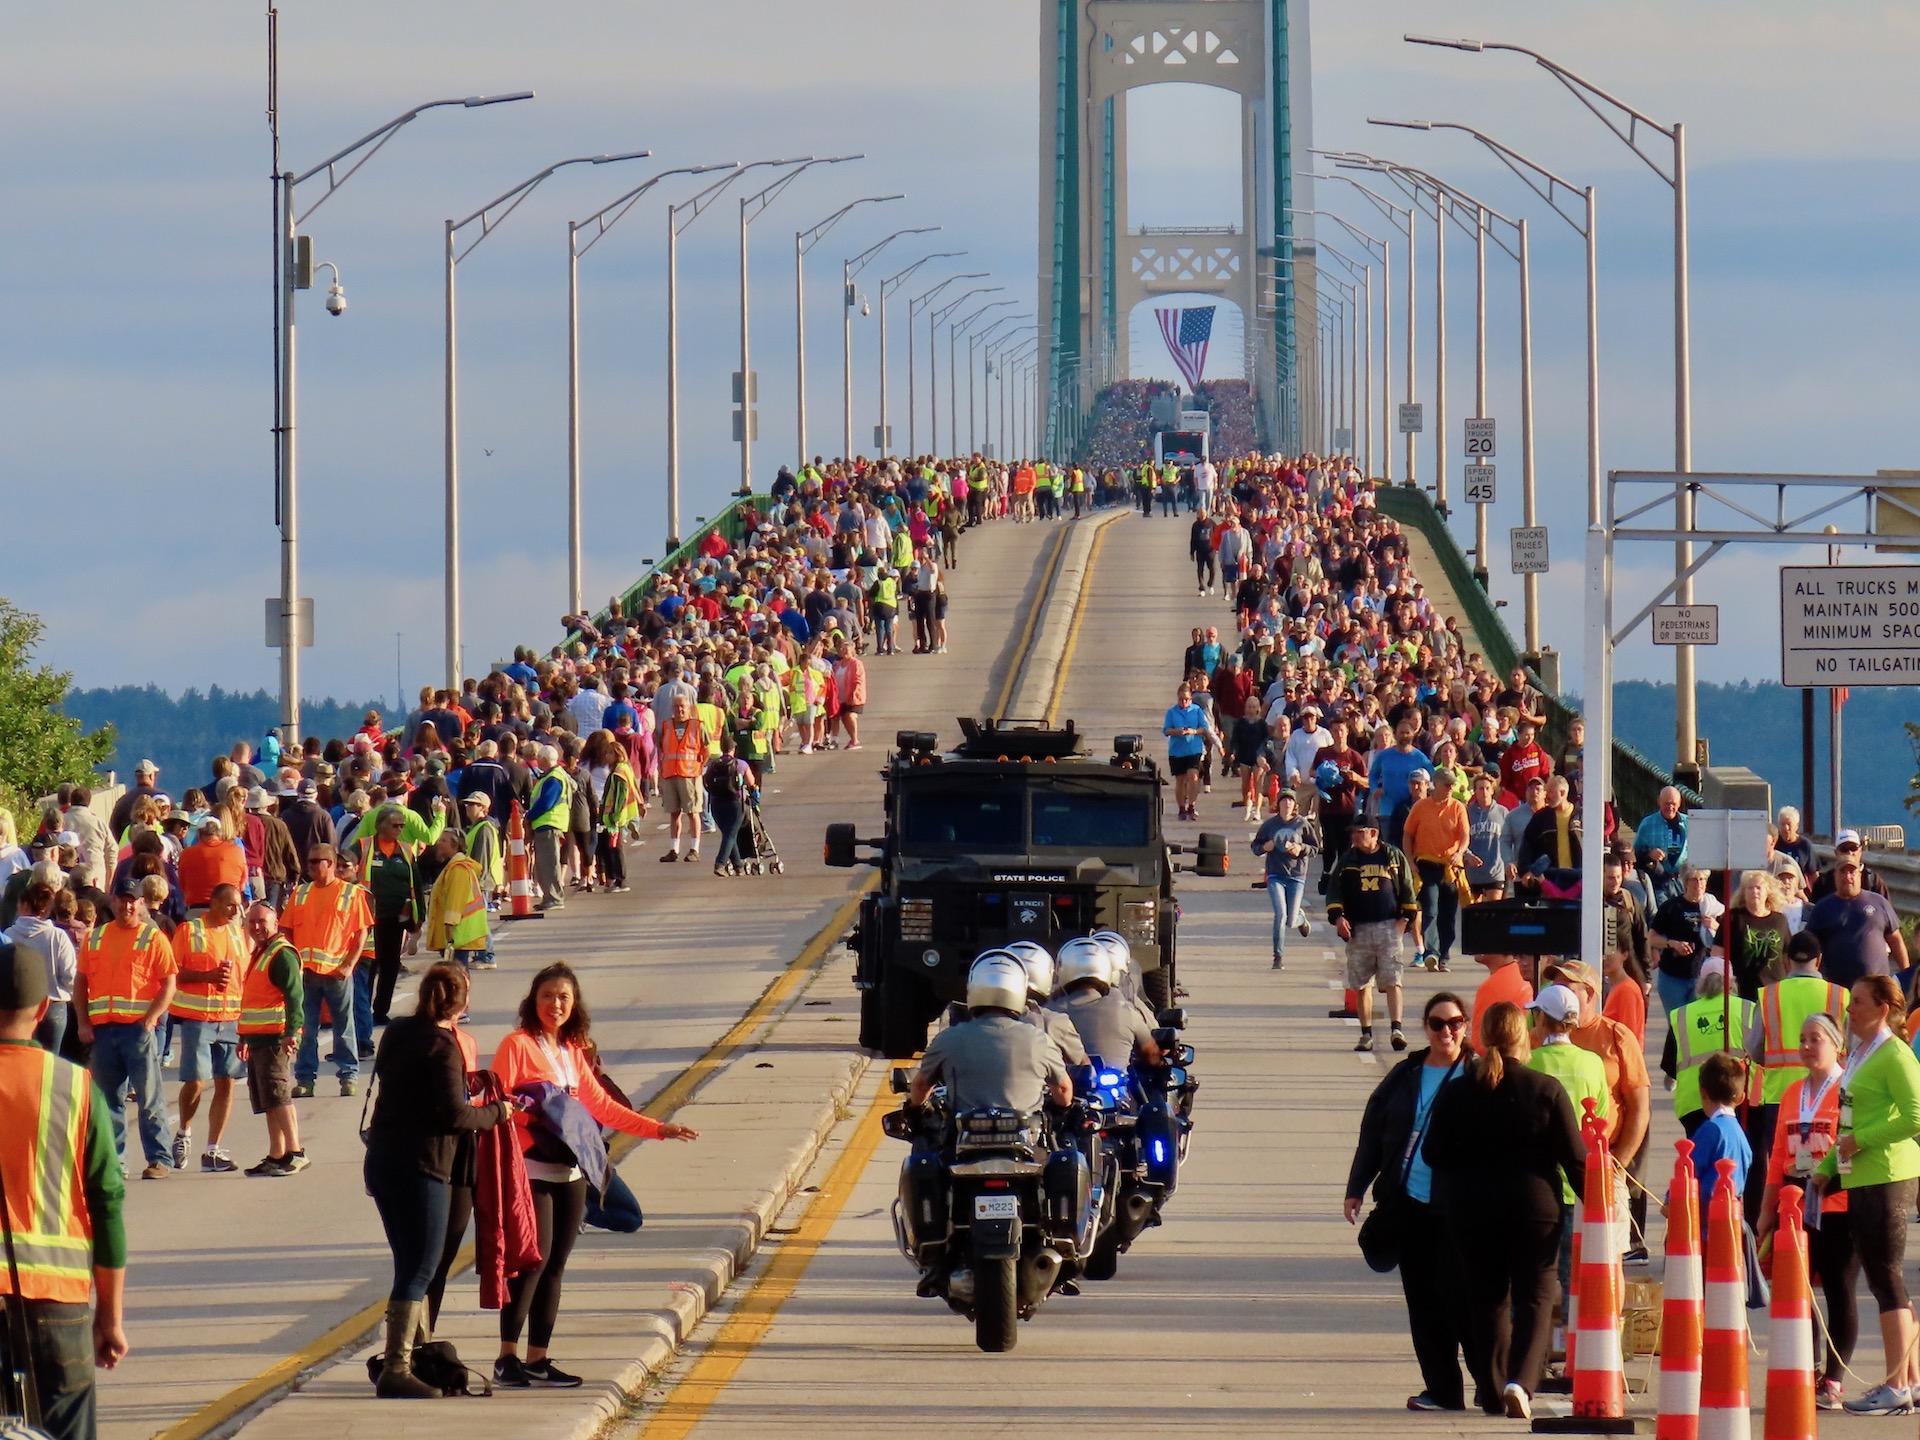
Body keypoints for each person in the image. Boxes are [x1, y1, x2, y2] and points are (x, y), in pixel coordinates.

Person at [491, 963, 698, 1388]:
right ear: (534, 1001)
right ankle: (506, 1356)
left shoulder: (571, 1052)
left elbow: (602, 1108)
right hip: (531, 1171)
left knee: (555, 1267)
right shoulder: (517, 1045)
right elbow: (499, 1104)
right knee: (531, 1263)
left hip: (571, 1170)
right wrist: (529, 1116)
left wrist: (658, 1128)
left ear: (575, 1005)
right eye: (548, 996)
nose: (556, 1004)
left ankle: (538, 1358)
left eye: (564, 997)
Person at [1423, 1000, 1586, 1422]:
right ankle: (1521, 1382)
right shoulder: (1545, 1089)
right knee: (1535, 1296)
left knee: (1487, 1299)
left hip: (1471, 1208)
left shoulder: (1457, 1091)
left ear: (1482, 1036)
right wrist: (1604, 1208)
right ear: (1524, 1035)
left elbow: (1433, 1152)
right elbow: (1576, 1160)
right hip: (1533, 1208)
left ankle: (1493, 1391)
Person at [362, 962, 514, 1398]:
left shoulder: (399, 1032)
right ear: (462, 1001)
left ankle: (416, 1356)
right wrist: (497, 1113)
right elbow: (455, 1113)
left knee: (406, 1261)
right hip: (422, 1165)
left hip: (383, 1160)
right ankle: (396, 1368)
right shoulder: (442, 1045)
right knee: (422, 1267)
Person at [0, 939, 129, 1440]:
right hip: (58, 1306)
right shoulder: (76, 1087)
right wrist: (110, 1318)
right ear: (43, 1009)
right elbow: (108, 1205)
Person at [1344, 992, 1474, 1413]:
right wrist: (1356, 1187)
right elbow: (1374, 1132)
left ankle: (1492, 1385)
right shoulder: (1406, 1074)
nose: (1446, 1032)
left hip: (1463, 1207)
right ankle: (1442, 1390)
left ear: (1466, 1025)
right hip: (1411, 1201)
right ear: (1425, 1028)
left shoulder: (1480, 1074)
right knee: (1423, 1301)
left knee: (1465, 1300)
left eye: (1454, 1023)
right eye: (1437, 1024)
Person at [1814, 975, 1920, 1415]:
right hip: (1860, 1175)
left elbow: (1915, 1115)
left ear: (1882, 1009)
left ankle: (1896, 1385)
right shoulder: (1859, 1051)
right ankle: (1910, 1379)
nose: (1849, 1009)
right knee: (1885, 1280)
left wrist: (1863, 1141)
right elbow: (1848, 1120)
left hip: (1887, 1175)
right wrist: (1823, 1171)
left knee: (1885, 1280)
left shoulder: (1894, 1052)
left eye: (1857, 1002)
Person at [1754, 1012, 1853, 1412]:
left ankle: (1834, 1379)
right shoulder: (1793, 1092)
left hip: (1840, 1204)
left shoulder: (1849, 1087)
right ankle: (1808, 1367)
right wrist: (1766, 1210)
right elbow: (1778, 1153)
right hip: (1796, 1206)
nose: (1808, 1046)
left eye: (1816, 1039)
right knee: (1798, 1290)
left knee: (1838, 1289)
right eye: (1803, 1039)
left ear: (1836, 1044)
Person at [74, 876, 178, 1179]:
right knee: (108, 1104)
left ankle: (159, 1159)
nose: (127, 904)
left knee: (149, 1100)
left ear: (142, 903)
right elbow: (81, 982)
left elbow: (169, 983)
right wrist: (83, 1021)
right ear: (113, 901)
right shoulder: (96, 937)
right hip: (103, 1032)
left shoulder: (153, 938)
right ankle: (115, 1163)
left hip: (138, 1031)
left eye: (132, 899)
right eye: (121, 898)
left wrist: (150, 1019)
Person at [1547, 959, 1651, 1257]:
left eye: (1566, 988)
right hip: (1552, 1176)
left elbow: (1639, 1107)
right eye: (1555, 988)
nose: (1558, 995)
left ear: (1590, 994)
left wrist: (1618, 1164)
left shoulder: (1616, 1036)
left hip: (1604, 1167)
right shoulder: (1541, 1034)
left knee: (1604, 1264)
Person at [1744, 931, 1847, 1229]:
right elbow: (1851, 1046)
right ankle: (1824, 1222)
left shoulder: (1769, 995)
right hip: (1831, 1097)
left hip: (1782, 1095)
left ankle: (1783, 1223)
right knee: (1830, 1162)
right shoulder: (1839, 995)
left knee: (1780, 1165)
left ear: (1787, 961)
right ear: (1820, 960)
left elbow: (1753, 1048)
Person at [913, 950, 1073, 1114]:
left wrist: (915, 1111)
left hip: (963, 1132)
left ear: (973, 990)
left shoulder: (948, 1039)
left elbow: (920, 1086)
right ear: (1020, 991)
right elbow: (1062, 1089)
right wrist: (1061, 1110)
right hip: (1028, 1134)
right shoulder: (1039, 1040)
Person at [168, 883, 248, 1173]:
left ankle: (213, 1149)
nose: (235, 910)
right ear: (213, 902)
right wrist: (207, 975)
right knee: (196, 1080)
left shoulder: (239, 935)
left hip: (230, 1019)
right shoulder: (190, 931)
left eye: (237, 905)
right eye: (229, 904)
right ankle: (184, 1132)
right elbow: (174, 971)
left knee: (227, 1080)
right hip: (198, 1017)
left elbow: (244, 978)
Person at [281, 845, 372, 1098]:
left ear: (330, 863)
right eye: (308, 862)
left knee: (344, 1027)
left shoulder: (350, 894)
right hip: (306, 974)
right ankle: (305, 1080)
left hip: (337, 974)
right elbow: (286, 930)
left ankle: (348, 1076)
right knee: (306, 1029)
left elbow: (361, 932)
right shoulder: (300, 893)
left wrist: (349, 965)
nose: (309, 867)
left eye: (314, 862)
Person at [1325, 816, 1420, 1054]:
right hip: (1360, 929)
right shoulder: (1348, 859)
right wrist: (1338, 917)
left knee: (1393, 980)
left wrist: (1405, 919)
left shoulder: (1393, 857)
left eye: (1359, 832)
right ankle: (1366, 1034)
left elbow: (1408, 888)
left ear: (1374, 833)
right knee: (1362, 983)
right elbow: (1334, 891)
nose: (1354, 837)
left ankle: (1396, 1029)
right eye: (1353, 833)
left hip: (1389, 926)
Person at [238, 900, 306, 1176]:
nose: (256, 927)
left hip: (275, 1039)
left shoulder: (281, 954)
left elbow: (294, 997)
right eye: (251, 922)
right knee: (268, 1100)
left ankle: (296, 1152)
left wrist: (293, 1033)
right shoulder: (262, 952)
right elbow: (254, 999)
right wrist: (243, 1036)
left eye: (261, 922)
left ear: (275, 923)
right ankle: (277, 1154)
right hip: (258, 1040)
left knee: (278, 1097)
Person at [1045, 938, 1162, 1069]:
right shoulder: (1124, 1009)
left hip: (1065, 1085)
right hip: (1112, 1085)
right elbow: (1151, 1053)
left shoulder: (1049, 1013)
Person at [1805, 854, 1908, 990]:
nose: (1848, 877)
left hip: (1877, 987)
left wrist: (1907, 976)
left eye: (1852, 871)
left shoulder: (1878, 902)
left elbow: (1896, 940)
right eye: (1843, 871)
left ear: (1859, 875)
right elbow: (1810, 945)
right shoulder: (1822, 908)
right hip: (1837, 989)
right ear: (1835, 876)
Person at [1401, 769, 1469, 973]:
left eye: (1452, 785)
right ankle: (1431, 952)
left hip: (1450, 867)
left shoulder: (1458, 807)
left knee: (1448, 915)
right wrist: (1410, 861)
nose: (1450, 789)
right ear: (1436, 784)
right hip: (1427, 865)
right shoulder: (1420, 807)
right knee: (1430, 909)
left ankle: (1444, 955)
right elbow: (1407, 835)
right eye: (1446, 784)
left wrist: (1460, 851)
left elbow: (1465, 836)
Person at [5, 869, 77, 1054]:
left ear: (23, 905)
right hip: (54, 1007)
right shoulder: (57, 937)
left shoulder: (9, 936)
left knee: (20, 1058)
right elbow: (70, 975)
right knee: (50, 1064)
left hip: (19, 1010)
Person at [1251, 792, 1317, 971]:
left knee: (1290, 920)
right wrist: (1265, 847)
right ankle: (1278, 957)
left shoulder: (1302, 824)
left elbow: (1315, 848)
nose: (1287, 803)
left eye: (1290, 800)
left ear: (1295, 805)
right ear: (1278, 804)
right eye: (1284, 800)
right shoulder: (1270, 825)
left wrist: (1300, 848)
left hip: (1296, 874)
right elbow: (1255, 847)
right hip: (1275, 874)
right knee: (1280, 914)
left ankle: (1301, 919)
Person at [1684, 1053, 1752, 1212]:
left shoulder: (1711, 1129)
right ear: (1741, 1098)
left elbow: (1689, 1168)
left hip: (1705, 1214)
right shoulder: (1741, 1134)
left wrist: (1671, 1200)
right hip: (1732, 1212)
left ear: (1703, 1093)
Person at [1649, 866, 1719, 1016]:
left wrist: (1716, 926)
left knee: (1697, 1024)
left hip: (1701, 976)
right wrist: (1672, 943)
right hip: (1673, 977)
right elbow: (1651, 938)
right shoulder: (1671, 907)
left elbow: (1726, 940)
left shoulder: (1714, 908)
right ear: (1686, 882)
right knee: (1677, 1025)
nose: (1698, 884)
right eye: (1694, 879)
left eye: (1702, 879)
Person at [423, 831, 491, 971]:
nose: (438, 844)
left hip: (457, 934)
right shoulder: (453, 867)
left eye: (443, 841)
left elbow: (455, 901)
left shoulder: (458, 869)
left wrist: (449, 929)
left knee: (456, 974)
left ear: (455, 847)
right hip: (459, 933)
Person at [658, 693, 711, 864]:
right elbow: (661, 747)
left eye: (683, 706)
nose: (680, 710)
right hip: (671, 774)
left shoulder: (697, 726)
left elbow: (706, 748)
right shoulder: (666, 726)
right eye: (676, 707)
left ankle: (694, 849)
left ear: (689, 708)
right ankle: (674, 849)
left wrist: (700, 766)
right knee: (674, 813)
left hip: (690, 775)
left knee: (693, 812)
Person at [1727, 869, 1793, 1000]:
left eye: (1758, 888)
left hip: (1775, 989)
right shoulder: (1733, 917)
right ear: (1743, 893)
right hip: (1742, 990)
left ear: (1767, 891)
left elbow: (1787, 957)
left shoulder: (1779, 920)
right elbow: (1718, 954)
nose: (1754, 892)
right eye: (1749, 888)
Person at [525, 748, 575, 904]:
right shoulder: (554, 776)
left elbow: (546, 802)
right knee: (545, 864)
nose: (537, 760)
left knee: (549, 864)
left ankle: (554, 897)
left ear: (544, 759)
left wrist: (529, 815)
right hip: (549, 824)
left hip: (549, 824)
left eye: (539, 757)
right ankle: (550, 897)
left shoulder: (553, 778)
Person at [1163, 682, 1211, 823]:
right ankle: (1181, 808)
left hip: (1193, 749)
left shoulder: (1196, 710)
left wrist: (1193, 731)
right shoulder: (1172, 712)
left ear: (1191, 699)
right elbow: (1166, 730)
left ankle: (1192, 805)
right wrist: (1177, 731)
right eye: (1181, 699)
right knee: (1180, 780)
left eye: (1187, 699)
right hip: (1177, 751)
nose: (1184, 702)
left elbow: (1204, 728)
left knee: (1193, 776)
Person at [1634, 786, 1689, 907]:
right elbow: (1635, 853)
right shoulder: (1647, 824)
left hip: (1683, 881)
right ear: (1659, 801)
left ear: (1679, 803)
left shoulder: (1689, 823)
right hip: (1659, 881)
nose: (1670, 807)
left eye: (1673, 804)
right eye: (1666, 804)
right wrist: (1649, 854)